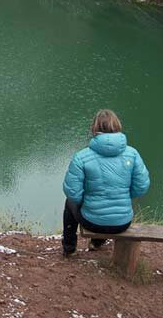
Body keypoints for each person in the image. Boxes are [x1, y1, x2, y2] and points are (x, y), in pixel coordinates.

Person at [61, 109, 150, 256]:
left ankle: (69, 249)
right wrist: (124, 196)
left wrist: (88, 202)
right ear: (117, 126)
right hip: (122, 222)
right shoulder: (132, 154)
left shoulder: (81, 157)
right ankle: (97, 243)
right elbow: (141, 187)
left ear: (94, 128)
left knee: (69, 203)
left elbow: (72, 193)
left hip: (92, 221)